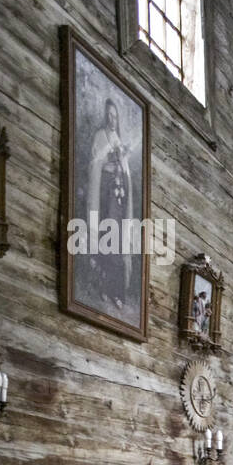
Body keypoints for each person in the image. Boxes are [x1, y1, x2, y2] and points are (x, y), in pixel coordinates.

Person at [85, 98, 135, 319]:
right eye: (109, 115)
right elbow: (95, 161)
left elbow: (125, 172)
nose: (112, 120)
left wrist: (122, 156)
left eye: (115, 116)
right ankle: (104, 288)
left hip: (118, 195)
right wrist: (109, 150)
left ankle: (117, 292)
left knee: (116, 240)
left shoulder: (118, 137)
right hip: (104, 191)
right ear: (105, 116)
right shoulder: (100, 136)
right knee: (106, 237)